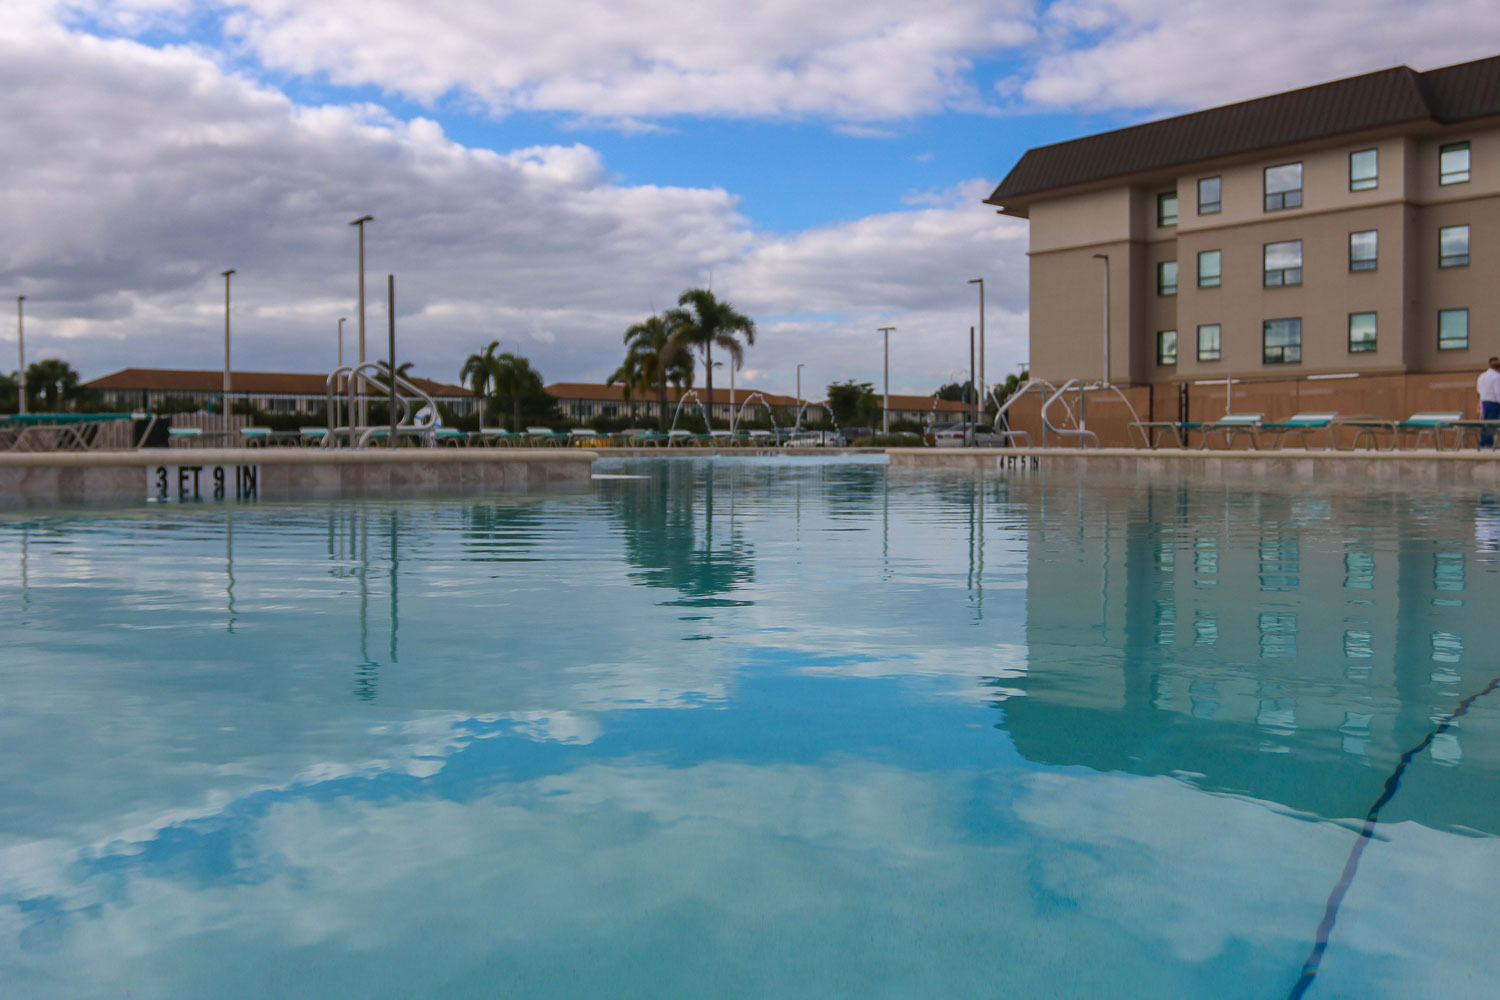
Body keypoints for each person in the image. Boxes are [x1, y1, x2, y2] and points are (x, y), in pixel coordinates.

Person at [1478, 357, 1500, 449]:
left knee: (1485, 423)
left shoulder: (1482, 376)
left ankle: (1484, 442)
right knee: (1492, 423)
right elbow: (1498, 391)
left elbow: (1478, 390)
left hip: (1484, 402)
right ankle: (1489, 443)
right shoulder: (1497, 377)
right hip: (1493, 403)